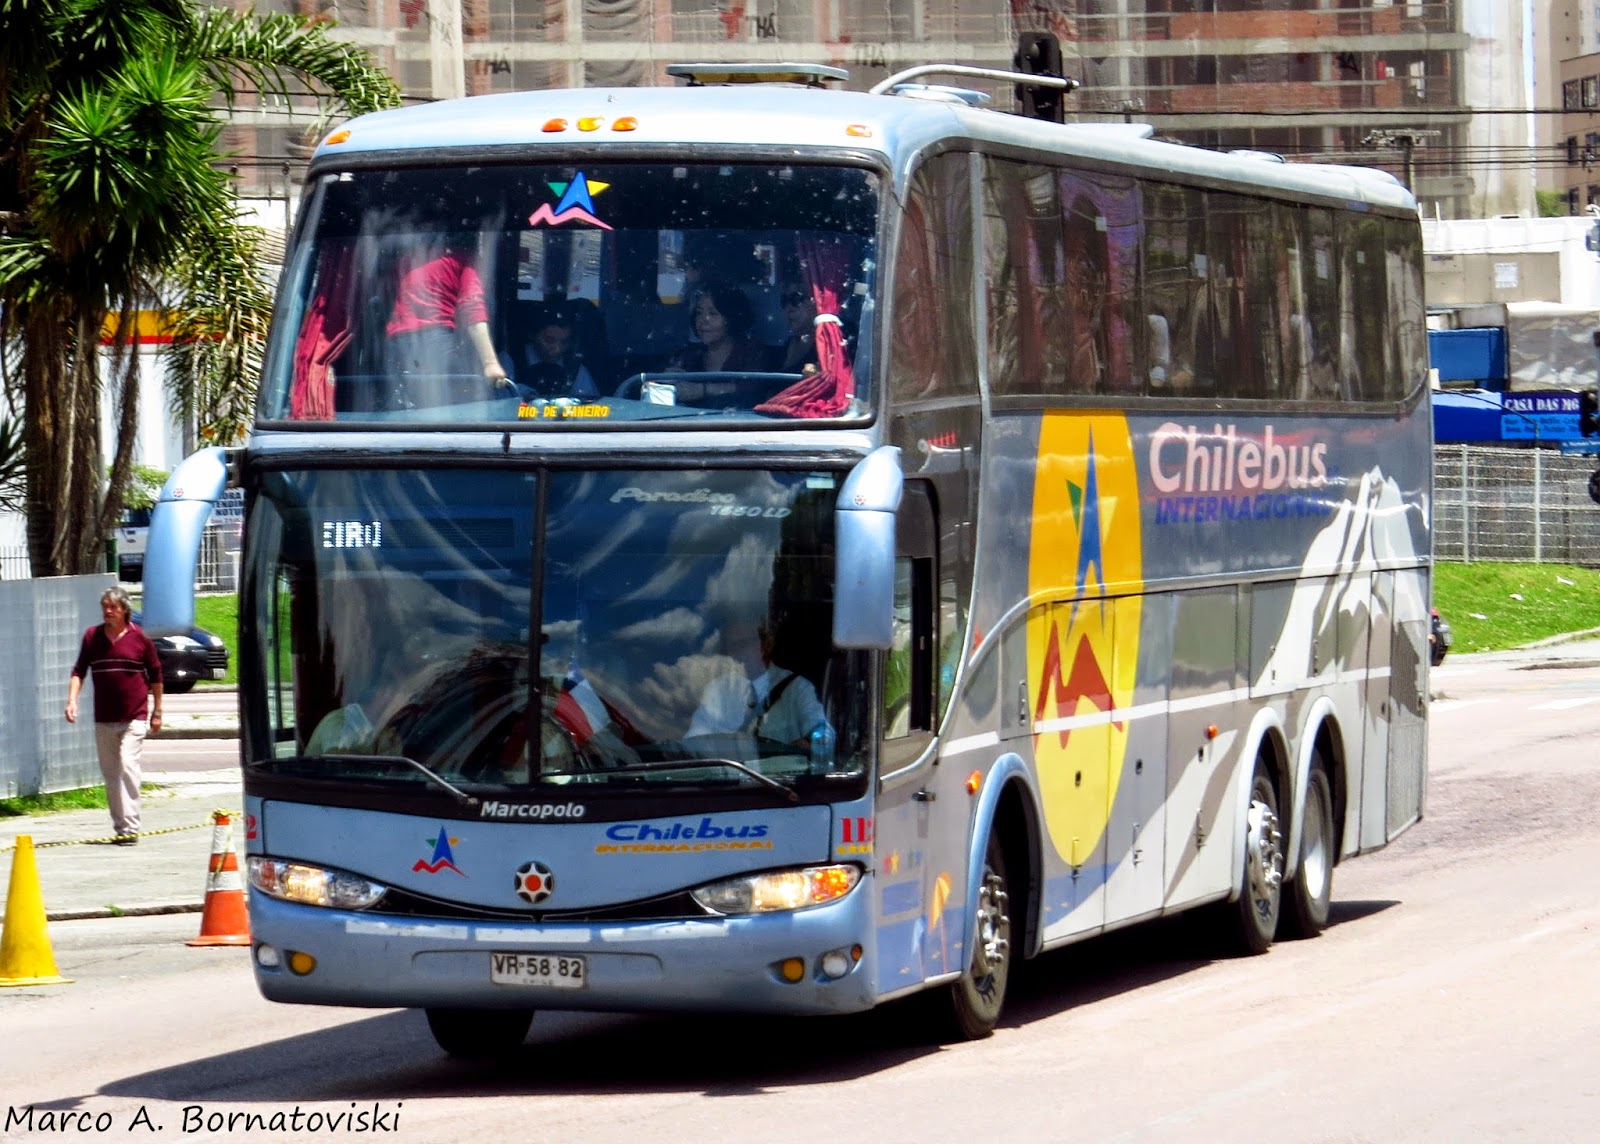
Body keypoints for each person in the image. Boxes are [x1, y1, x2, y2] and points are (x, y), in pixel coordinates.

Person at [64, 586, 163, 843]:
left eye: (113, 607)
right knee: (111, 773)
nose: (107, 611)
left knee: (128, 765)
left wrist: (157, 711)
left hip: (134, 716)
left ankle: (131, 827)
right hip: (104, 718)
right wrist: (72, 700)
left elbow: (155, 675)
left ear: (124, 610)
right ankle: (120, 828)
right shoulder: (92, 637)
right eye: (105, 607)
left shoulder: (140, 639)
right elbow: (79, 670)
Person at [384, 240, 510, 402]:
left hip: (394, 345)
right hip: (434, 342)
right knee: (451, 407)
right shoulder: (463, 260)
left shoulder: (407, 260)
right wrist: (490, 363)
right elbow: (472, 308)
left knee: (401, 405)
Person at [685, 615, 826, 747]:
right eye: (732, 646)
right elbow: (696, 737)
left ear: (766, 645)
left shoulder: (798, 687)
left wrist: (810, 742)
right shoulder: (718, 690)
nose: (738, 652)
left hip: (778, 773)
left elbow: (821, 730)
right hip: (727, 772)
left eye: (744, 644)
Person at [668, 286, 775, 373]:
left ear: (731, 318)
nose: (703, 320)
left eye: (713, 313)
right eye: (699, 313)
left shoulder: (752, 353)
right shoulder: (687, 355)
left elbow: (750, 388)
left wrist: (702, 390)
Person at [517, 307, 601, 400]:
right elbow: (502, 401)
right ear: (532, 335)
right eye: (549, 340)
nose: (557, 349)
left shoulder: (575, 368)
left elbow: (589, 404)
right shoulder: (510, 360)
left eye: (564, 342)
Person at [777, 287, 820, 374]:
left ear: (815, 303)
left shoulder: (828, 345)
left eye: (795, 299)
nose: (788, 309)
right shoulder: (787, 345)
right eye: (784, 301)